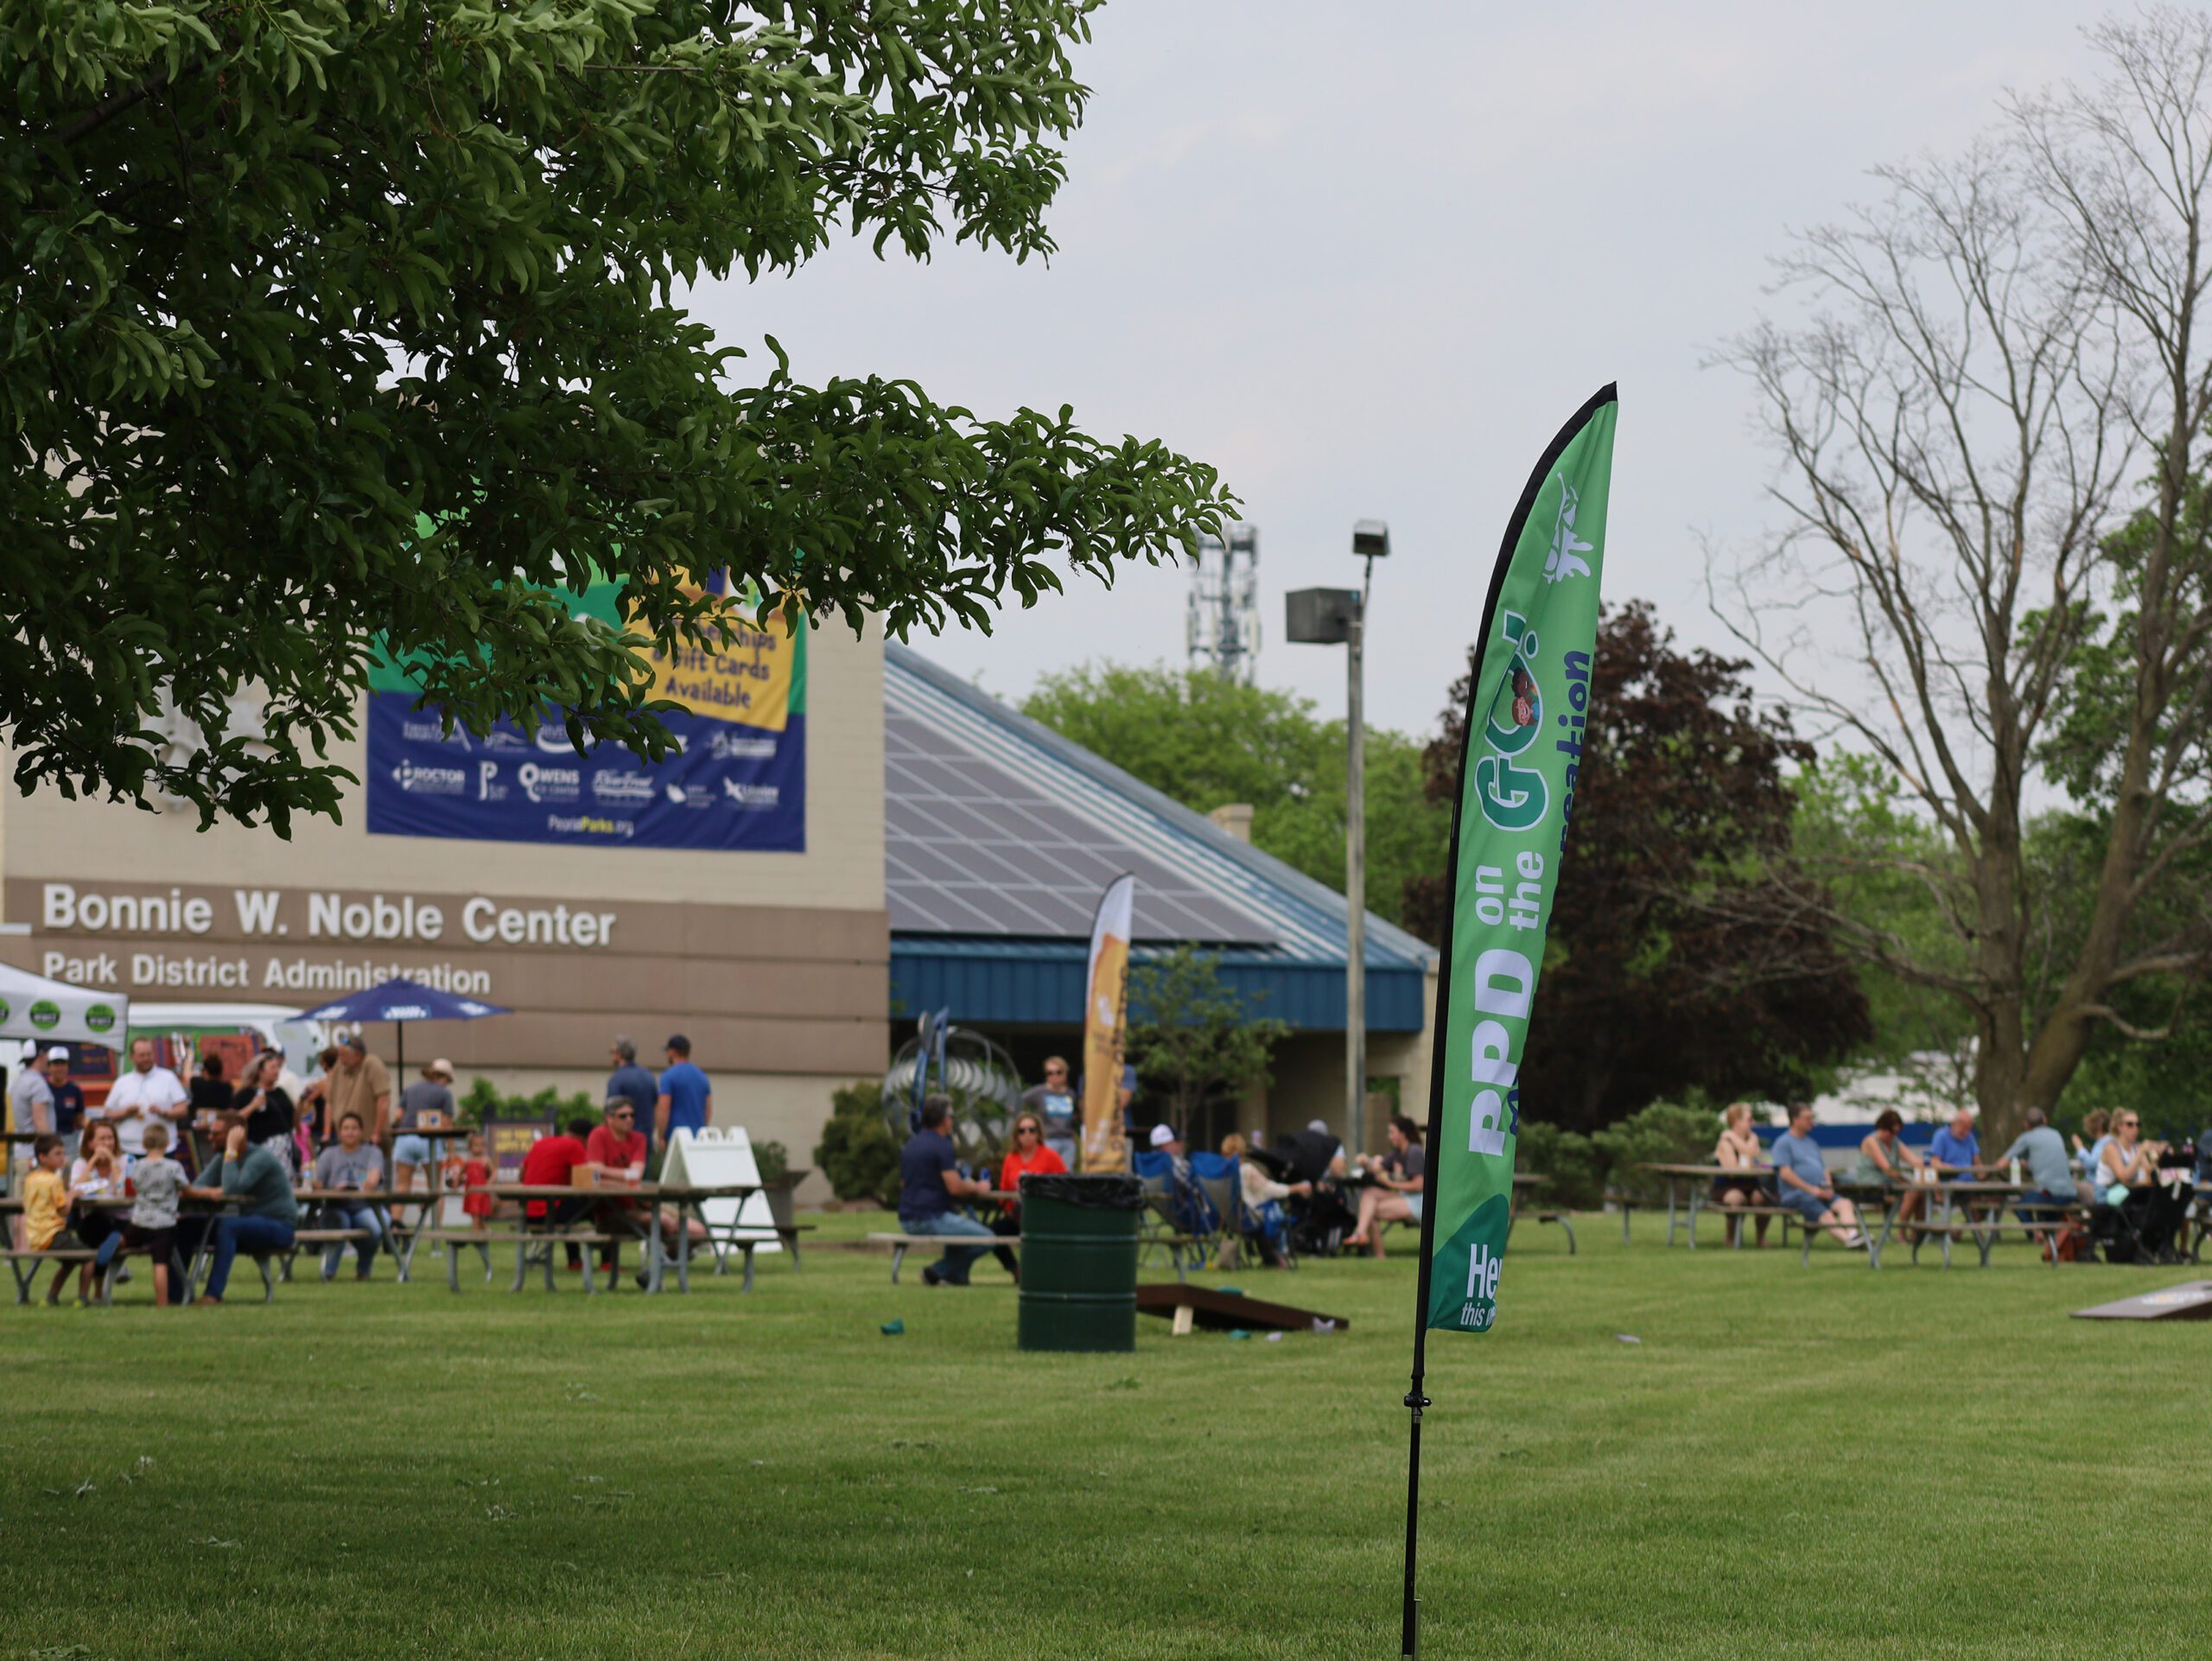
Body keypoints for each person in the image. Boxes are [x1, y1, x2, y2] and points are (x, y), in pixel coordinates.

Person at [181, 1112, 300, 1304]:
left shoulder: (259, 1157)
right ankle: (175, 1295)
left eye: (216, 1133)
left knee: (229, 1226)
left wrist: (231, 1149)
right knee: (187, 1226)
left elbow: (232, 1188)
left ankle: (213, 1295)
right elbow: (195, 1188)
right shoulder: (221, 1158)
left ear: (236, 1135)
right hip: (249, 1224)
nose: (210, 1137)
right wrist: (210, 1191)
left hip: (280, 1226)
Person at [897, 1094, 997, 1286]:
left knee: (956, 1222)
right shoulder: (942, 1146)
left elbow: (903, 1183)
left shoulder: (912, 1144)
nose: (952, 1121)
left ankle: (956, 1276)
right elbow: (955, 1188)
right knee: (988, 1239)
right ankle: (937, 1271)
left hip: (907, 1218)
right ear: (944, 1119)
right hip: (930, 1218)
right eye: (951, 1117)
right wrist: (978, 1188)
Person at [93, 1120, 184, 1306]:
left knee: (131, 1239)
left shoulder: (138, 1166)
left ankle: (120, 1240)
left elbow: (132, 1187)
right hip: (164, 1223)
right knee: (160, 1265)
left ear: (143, 1145)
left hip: (139, 1220)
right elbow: (184, 1188)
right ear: (168, 1144)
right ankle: (162, 1304)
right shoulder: (174, 1166)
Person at [1770, 1103, 1867, 1249]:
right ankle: (1848, 1240)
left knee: (1845, 1204)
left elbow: (1822, 1168)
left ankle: (1853, 1235)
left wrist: (1828, 1187)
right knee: (1824, 1212)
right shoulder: (1783, 1143)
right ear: (1795, 1120)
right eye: (1807, 1118)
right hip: (1796, 1194)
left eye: (1812, 1117)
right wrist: (1813, 1190)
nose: (1812, 1121)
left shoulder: (1811, 1143)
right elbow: (1785, 1174)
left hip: (1820, 1191)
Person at [311, 1111, 389, 1282]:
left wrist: (366, 1182)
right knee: (338, 1223)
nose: (350, 1132)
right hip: (335, 1206)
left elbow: (373, 1181)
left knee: (376, 1226)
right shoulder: (329, 1154)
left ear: (361, 1132)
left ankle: (363, 1270)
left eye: (354, 1128)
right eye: (346, 1128)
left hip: (365, 1206)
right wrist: (313, 1178)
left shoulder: (372, 1152)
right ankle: (328, 1272)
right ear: (339, 1132)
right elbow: (317, 1183)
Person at [988, 1111, 1065, 1281]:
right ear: (1016, 1135)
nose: (1027, 1135)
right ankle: (1016, 1270)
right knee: (992, 1232)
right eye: (1022, 1131)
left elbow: (1064, 1184)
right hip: (1017, 1215)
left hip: (1043, 1216)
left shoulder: (1050, 1156)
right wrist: (1010, 1211)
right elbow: (1004, 1192)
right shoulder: (1011, 1159)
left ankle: (1042, 1274)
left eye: (1032, 1130)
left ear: (1039, 1133)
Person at [519, 1116, 599, 1269]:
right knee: (599, 1205)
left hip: (528, 1214)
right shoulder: (575, 1145)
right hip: (550, 1213)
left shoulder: (540, 1143)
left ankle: (575, 1260)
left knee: (571, 1206)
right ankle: (607, 1260)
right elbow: (586, 1179)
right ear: (584, 1138)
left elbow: (522, 1174)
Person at [1222, 1131, 1308, 1269]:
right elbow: (1268, 1188)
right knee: (1272, 1213)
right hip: (1247, 1219)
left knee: (1263, 1215)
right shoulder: (1246, 1170)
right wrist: (1294, 1188)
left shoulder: (1221, 1174)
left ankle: (1270, 1258)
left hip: (1229, 1220)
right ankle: (1278, 1256)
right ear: (1241, 1153)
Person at [99, 1037, 189, 1164]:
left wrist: (164, 1112)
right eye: (142, 1055)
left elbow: (183, 1109)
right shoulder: (122, 1082)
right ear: (132, 1057)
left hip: (162, 1148)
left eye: (149, 1054)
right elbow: (107, 1114)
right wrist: (125, 1113)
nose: (146, 1058)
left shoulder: (168, 1078)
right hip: (128, 1149)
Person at [1345, 1115, 1427, 1257]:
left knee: (1370, 1211)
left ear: (1403, 1134)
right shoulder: (1396, 1153)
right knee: (1370, 1193)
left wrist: (1389, 1183)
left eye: (1392, 1132)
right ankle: (1362, 1235)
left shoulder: (1414, 1152)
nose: (1390, 1137)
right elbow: (1377, 1169)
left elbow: (1419, 1185)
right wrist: (1365, 1162)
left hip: (1419, 1202)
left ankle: (1372, 1247)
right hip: (1404, 1197)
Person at [65, 1121, 127, 1296]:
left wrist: (113, 1163)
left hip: (121, 1218)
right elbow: (74, 1190)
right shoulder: (81, 1164)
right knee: (93, 1227)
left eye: (110, 1138)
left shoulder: (125, 1161)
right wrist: (92, 1162)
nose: (108, 1143)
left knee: (102, 1236)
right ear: (91, 1143)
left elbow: (122, 1192)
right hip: (94, 1219)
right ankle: (113, 1265)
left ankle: (99, 1292)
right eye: (102, 1139)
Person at [2001, 1106, 2084, 1238]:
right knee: (2045, 1209)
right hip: (2069, 1193)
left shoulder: (2027, 1137)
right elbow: (2049, 1162)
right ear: (2044, 1120)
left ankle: (2035, 1235)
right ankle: (2048, 1238)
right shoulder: (2056, 1134)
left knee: (2020, 1207)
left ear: (2026, 1125)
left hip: (2050, 1194)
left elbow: (2002, 1164)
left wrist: (1984, 1175)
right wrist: (2029, 1166)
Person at [391, 1058, 456, 1223]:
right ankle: (436, 1229)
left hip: (405, 1138)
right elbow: (447, 1125)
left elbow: (398, 1115)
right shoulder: (444, 1094)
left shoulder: (410, 1089)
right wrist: (451, 1152)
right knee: (435, 1188)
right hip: (430, 1141)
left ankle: (394, 1226)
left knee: (402, 1187)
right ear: (444, 1077)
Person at [1849, 1109, 1928, 1244]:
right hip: (1872, 1185)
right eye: (1890, 1132)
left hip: (1891, 1184)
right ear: (1882, 1127)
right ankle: (1901, 1233)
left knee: (1922, 1192)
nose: (1892, 1135)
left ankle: (1917, 1234)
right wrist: (1907, 1182)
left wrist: (1929, 1163)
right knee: (1912, 1192)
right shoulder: (1871, 1141)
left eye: (1896, 1132)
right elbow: (1887, 1168)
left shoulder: (1895, 1142)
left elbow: (1914, 1161)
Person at [22, 1134, 85, 1303]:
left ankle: (52, 1297)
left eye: (63, 1153)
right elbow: (64, 1211)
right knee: (89, 1256)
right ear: (42, 1157)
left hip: (34, 1236)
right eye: (57, 1154)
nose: (62, 1157)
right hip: (51, 1234)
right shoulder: (53, 1180)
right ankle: (83, 1298)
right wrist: (71, 1195)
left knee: (70, 1261)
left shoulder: (31, 1178)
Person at [1711, 1102, 1772, 1248]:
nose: (1753, 1123)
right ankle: (1731, 1236)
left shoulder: (1751, 1138)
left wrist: (1748, 1143)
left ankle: (1760, 1238)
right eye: (1749, 1119)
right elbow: (1733, 1171)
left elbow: (1756, 1161)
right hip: (1727, 1186)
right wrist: (1747, 1145)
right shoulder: (1726, 1142)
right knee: (1736, 1198)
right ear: (1736, 1121)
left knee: (1762, 1198)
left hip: (1750, 1184)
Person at [653, 1034, 712, 1165]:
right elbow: (708, 1110)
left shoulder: (668, 1076)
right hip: (697, 1139)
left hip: (675, 1138)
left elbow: (663, 1108)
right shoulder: (702, 1076)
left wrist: (660, 1135)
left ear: (672, 1052)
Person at [324, 1036, 393, 1147]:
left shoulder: (372, 1064)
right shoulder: (338, 1068)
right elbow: (329, 1103)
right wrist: (327, 1134)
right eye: (339, 1055)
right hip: (343, 1141)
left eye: (344, 1055)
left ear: (358, 1055)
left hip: (369, 1141)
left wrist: (377, 1133)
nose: (340, 1060)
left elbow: (383, 1100)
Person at [1020, 1057, 1080, 1168]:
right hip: (1047, 1140)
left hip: (1068, 1140)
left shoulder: (1070, 1094)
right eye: (1050, 1073)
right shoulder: (1039, 1092)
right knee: (1046, 1173)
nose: (1054, 1076)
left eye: (1059, 1072)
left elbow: (1077, 1114)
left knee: (1066, 1174)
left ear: (1065, 1074)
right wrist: (1026, 1120)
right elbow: (1018, 1102)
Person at [232, 1050, 296, 1154]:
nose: (277, 1071)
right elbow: (232, 1120)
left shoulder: (280, 1092)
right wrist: (252, 1106)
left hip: (285, 1147)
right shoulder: (246, 1094)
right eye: (272, 1068)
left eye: (278, 1067)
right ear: (260, 1071)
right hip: (259, 1147)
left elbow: (292, 1117)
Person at [605, 1037, 659, 1125]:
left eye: (612, 1053)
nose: (612, 1057)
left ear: (619, 1055)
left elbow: (611, 1109)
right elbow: (657, 1104)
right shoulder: (649, 1076)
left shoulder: (617, 1078)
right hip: (647, 1131)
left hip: (625, 1131)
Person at [46, 1047, 85, 1163]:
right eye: (56, 1064)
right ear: (49, 1066)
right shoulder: (42, 1088)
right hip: (47, 1140)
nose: (60, 1068)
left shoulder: (74, 1090)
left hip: (69, 1141)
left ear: (68, 1066)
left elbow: (80, 1118)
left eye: (63, 1064)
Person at [2073, 1109, 2113, 1187]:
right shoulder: (2108, 1140)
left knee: (2071, 1187)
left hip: (2096, 1186)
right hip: (2100, 1184)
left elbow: (2092, 1164)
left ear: (2099, 1127)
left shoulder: (2104, 1142)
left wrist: (2080, 1148)